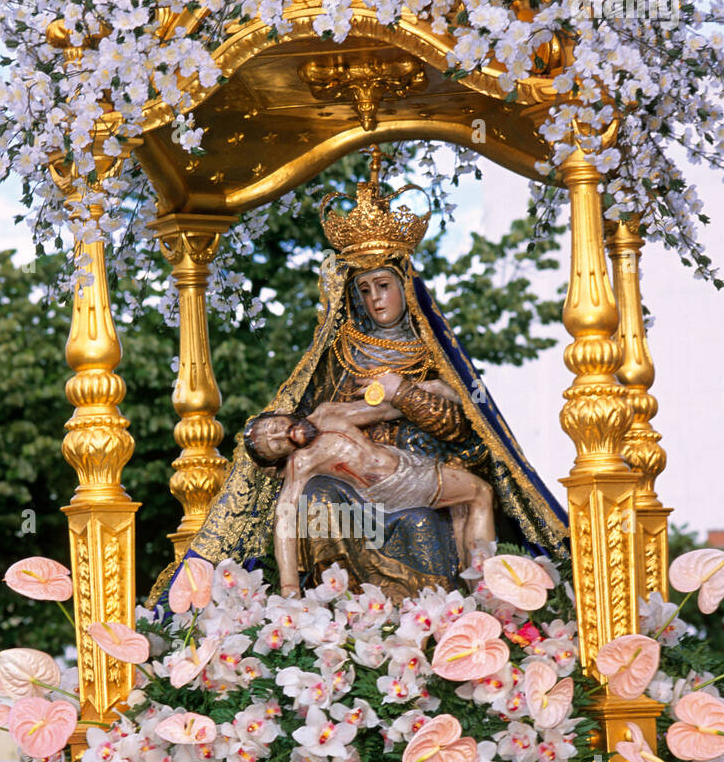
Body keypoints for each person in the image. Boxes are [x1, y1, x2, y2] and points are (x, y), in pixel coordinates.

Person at [176, 146, 567, 604]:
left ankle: (478, 597)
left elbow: (462, 425)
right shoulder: (338, 356)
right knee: (319, 498)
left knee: (439, 511)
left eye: (383, 286)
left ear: (404, 286)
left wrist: (407, 393)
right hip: (352, 488)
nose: (375, 299)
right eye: (364, 290)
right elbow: (318, 427)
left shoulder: (429, 350)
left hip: (421, 471)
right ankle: (339, 608)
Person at [244, 402, 495, 596]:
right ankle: (487, 585)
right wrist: (289, 587)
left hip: (410, 464)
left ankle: (477, 585)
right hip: (395, 489)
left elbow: (385, 410)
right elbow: (285, 520)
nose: (283, 436)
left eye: (276, 427)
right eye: (277, 445)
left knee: (464, 506)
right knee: (480, 493)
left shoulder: (327, 413)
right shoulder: (302, 463)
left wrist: (429, 390)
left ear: (281, 413)